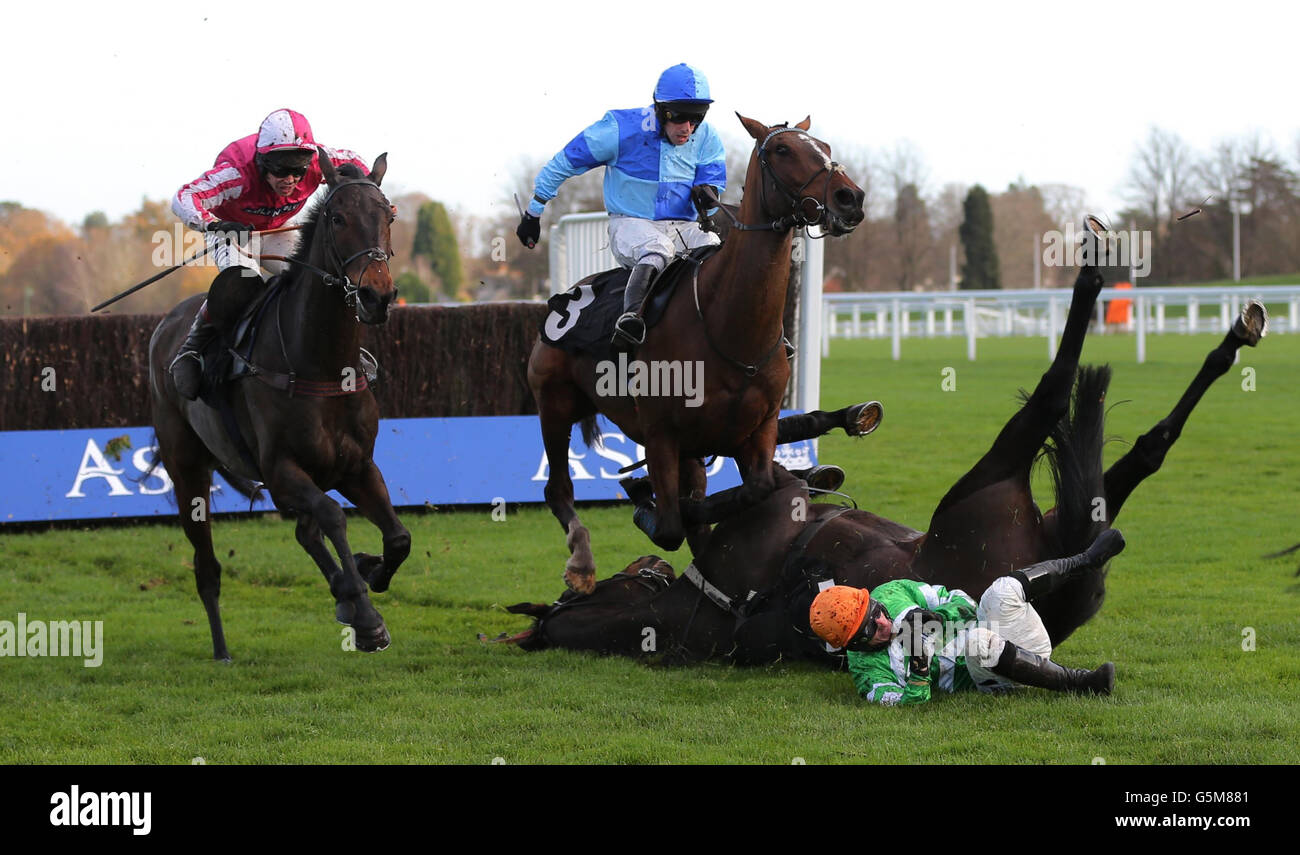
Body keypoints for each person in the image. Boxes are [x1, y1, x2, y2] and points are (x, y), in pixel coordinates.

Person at [516, 63, 727, 353]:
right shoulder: (618, 129)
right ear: (660, 109)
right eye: (679, 117)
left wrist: (708, 198)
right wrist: (534, 211)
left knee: (716, 249)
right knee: (658, 249)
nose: (687, 128)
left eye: (696, 118)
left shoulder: (707, 138)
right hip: (630, 223)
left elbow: (712, 184)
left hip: (684, 227)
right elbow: (565, 161)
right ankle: (630, 319)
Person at [168, 108, 370, 400]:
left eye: (298, 170)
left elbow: (359, 163)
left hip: (277, 230)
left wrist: (359, 185)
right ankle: (191, 349)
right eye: (280, 170)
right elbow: (184, 197)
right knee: (241, 284)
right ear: (262, 162)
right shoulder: (236, 174)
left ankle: (346, 354)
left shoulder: (319, 160)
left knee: (318, 279)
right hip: (234, 233)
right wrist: (215, 224)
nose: (290, 179)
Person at [808, 529, 1127, 705]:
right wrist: (919, 667)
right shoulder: (869, 678)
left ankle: (1086, 560)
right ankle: (1081, 682)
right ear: (853, 645)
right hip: (992, 678)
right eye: (869, 629)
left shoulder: (892, 592)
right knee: (977, 641)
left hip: (1014, 637)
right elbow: (909, 703)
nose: (882, 622)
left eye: (876, 612)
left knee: (999, 591)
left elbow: (963, 602)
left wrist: (932, 618)